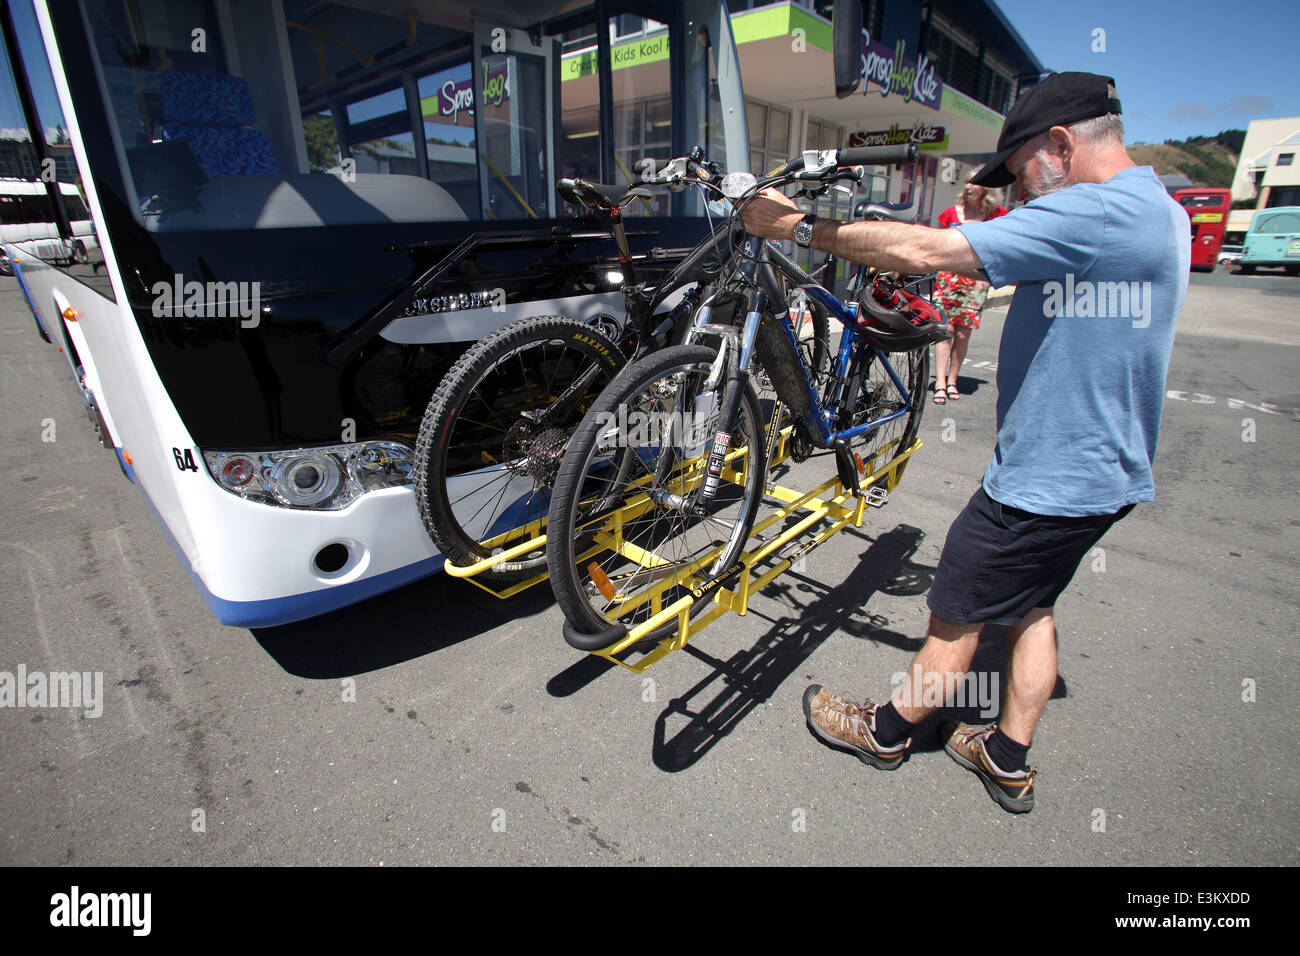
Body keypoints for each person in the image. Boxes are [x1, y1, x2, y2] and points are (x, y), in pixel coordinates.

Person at [739, 72, 1190, 813]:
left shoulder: (1097, 212)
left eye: (1019, 176)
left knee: (956, 613)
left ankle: (885, 731)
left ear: (1061, 145)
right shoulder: (1158, 209)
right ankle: (1007, 755)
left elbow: (927, 251)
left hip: (1046, 479)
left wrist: (795, 226)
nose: (1018, 195)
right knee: (1031, 607)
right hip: (1106, 474)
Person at [931, 169, 1007, 403]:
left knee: (962, 334)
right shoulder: (951, 214)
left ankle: (953, 379)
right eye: (967, 182)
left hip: (975, 281)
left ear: (986, 188)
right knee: (945, 331)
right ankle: (941, 383)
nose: (969, 186)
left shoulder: (996, 215)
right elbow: (937, 242)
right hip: (948, 278)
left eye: (975, 182)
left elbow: (1002, 243)